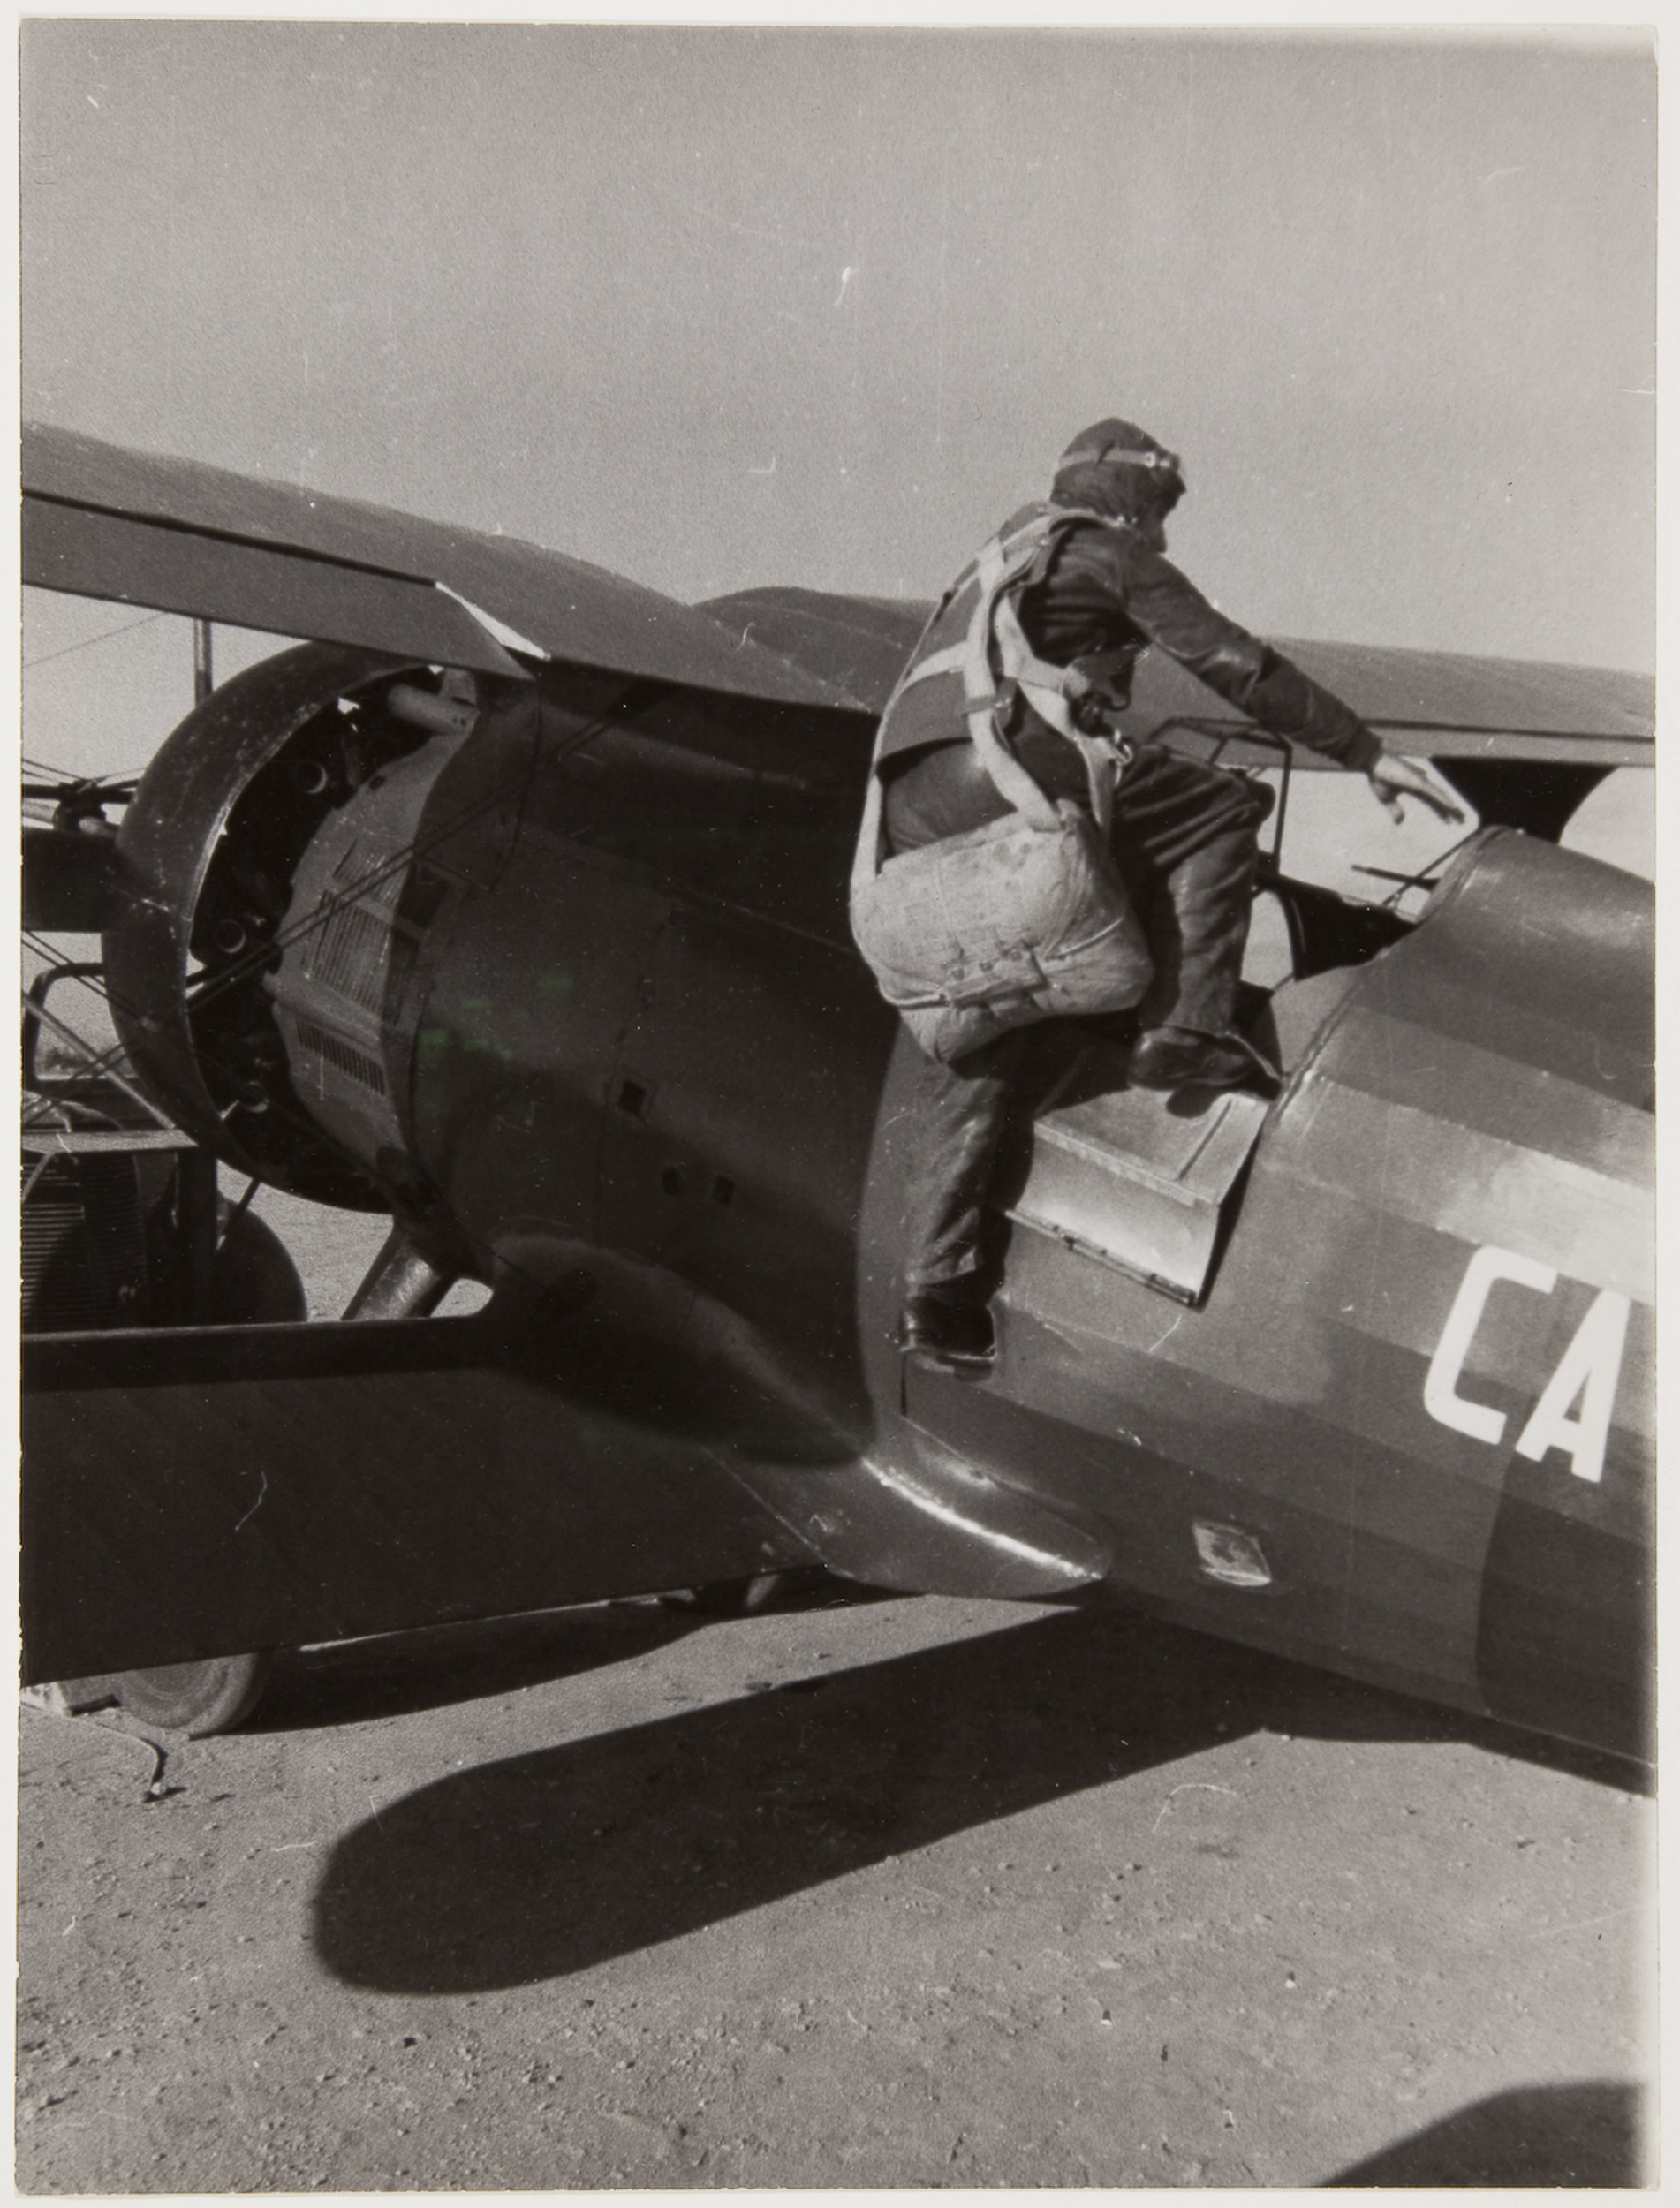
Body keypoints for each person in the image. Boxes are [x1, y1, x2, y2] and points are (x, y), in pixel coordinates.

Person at [874, 417, 1464, 1372]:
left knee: (984, 1020)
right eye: (1162, 512)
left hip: (913, 805)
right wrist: (1366, 753)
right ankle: (1183, 1030)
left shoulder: (1005, 551)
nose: (1163, 537)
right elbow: (1236, 663)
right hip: (1016, 776)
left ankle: (935, 1297)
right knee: (1220, 806)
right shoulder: (1104, 550)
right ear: (1129, 499)